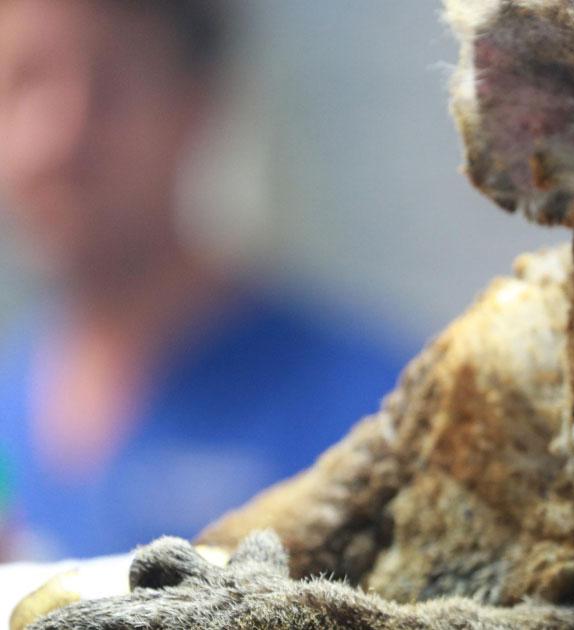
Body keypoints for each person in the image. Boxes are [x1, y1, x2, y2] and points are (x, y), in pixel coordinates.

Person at [0, 0, 416, 560]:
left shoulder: (375, 414)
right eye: (22, 81)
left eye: (109, 86)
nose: (58, 136)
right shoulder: (12, 401)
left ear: (198, 105)